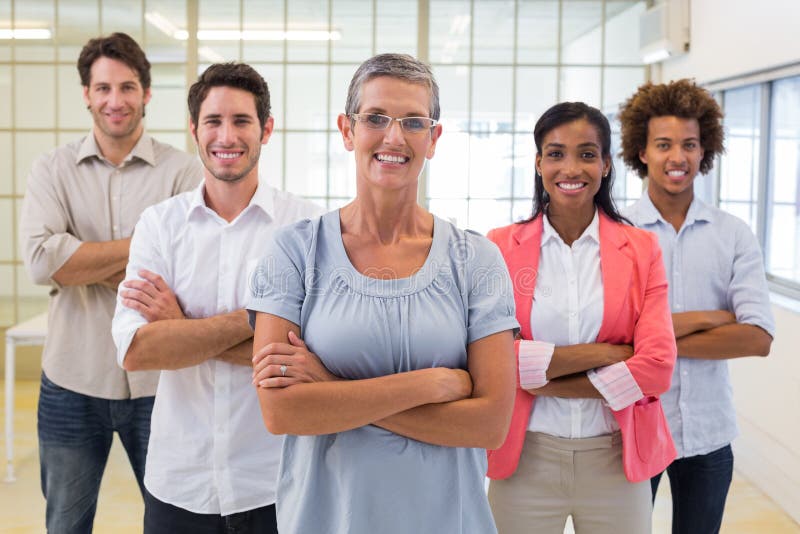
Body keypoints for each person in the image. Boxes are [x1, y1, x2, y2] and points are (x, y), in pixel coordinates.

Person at [246, 53, 519, 534]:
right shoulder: (293, 252)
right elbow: (281, 410)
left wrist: (331, 391)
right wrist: (429, 385)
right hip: (326, 521)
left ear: (433, 139)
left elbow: (490, 424)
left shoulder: (475, 260)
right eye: (375, 118)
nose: (394, 137)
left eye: (413, 121)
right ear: (347, 130)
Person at [111, 63, 323, 533]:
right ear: (194, 129)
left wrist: (181, 326)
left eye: (241, 121)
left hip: (275, 482)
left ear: (266, 129)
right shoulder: (159, 225)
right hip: (179, 483)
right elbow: (137, 350)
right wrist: (259, 319)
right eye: (213, 121)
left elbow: (310, 358)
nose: (226, 135)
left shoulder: (306, 228)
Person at [19, 32, 201, 533]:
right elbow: (41, 261)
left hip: (160, 385)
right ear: (86, 94)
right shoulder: (51, 171)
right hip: (72, 380)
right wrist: (145, 249)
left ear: (146, 92)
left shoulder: (184, 173)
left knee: (173, 521)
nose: (114, 101)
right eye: (102, 88)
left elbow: (187, 271)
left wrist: (79, 256)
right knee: (65, 523)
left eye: (126, 87)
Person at [485, 102, 678, 534]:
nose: (571, 167)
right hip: (524, 459)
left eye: (587, 154)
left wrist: (546, 381)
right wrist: (605, 354)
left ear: (607, 164)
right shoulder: (498, 248)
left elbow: (658, 367)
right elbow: (492, 358)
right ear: (538, 163)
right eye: (555, 153)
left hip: (615, 459)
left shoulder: (642, 249)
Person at [619, 79, 775, 534]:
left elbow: (758, 338)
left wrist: (652, 339)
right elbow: (613, 337)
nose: (678, 157)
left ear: (704, 150)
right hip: (632, 428)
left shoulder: (733, 234)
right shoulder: (618, 232)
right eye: (663, 144)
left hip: (709, 434)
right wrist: (711, 317)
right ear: (642, 151)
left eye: (689, 144)